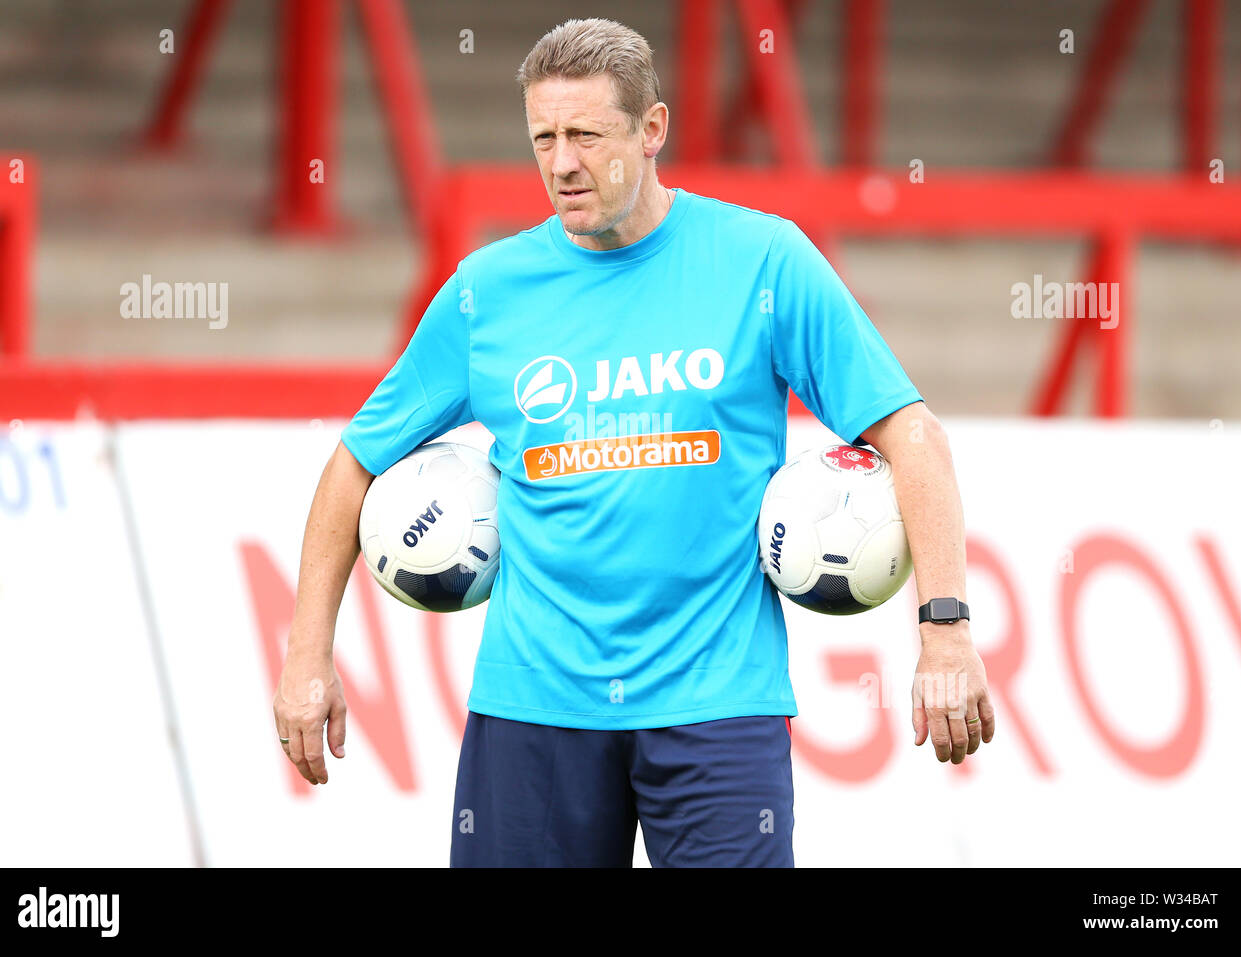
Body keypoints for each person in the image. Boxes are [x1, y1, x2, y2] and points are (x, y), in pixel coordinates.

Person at [273, 17, 995, 867]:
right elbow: (354, 464)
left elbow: (913, 435)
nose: (562, 162)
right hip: (534, 708)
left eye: (586, 134)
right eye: (543, 137)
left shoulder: (762, 261)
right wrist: (306, 655)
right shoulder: (487, 292)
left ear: (652, 131)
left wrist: (944, 630)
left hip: (717, 708)